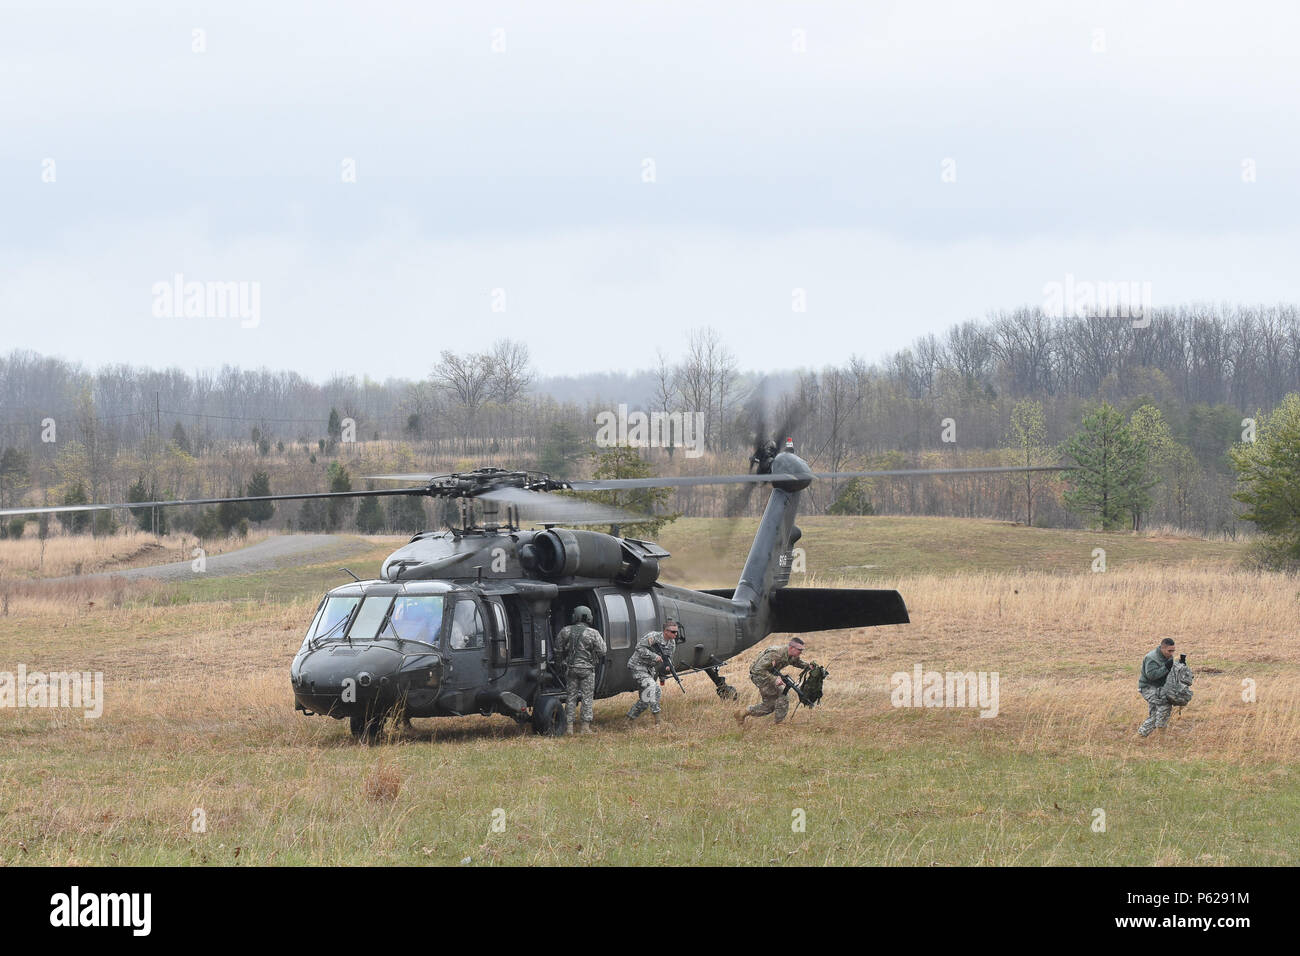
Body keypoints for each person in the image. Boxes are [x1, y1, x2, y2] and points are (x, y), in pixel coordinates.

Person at [554, 606, 606, 735]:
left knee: (570, 697)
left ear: (575, 616)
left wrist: (560, 663)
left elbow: (558, 650)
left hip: (571, 669)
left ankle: (569, 728)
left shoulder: (565, 631)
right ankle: (585, 728)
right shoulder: (593, 633)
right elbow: (603, 651)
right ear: (588, 617)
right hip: (587, 670)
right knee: (587, 697)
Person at [736, 637, 811, 726]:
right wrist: (774, 679)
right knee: (782, 696)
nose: (801, 652)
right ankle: (779, 723)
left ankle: (743, 713)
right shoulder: (775, 654)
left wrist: (809, 667)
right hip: (760, 677)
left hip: (769, 675)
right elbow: (757, 669)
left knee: (770, 705)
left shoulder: (791, 655)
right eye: (799, 650)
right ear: (791, 648)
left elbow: (796, 662)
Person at [626, 620, 680, 725]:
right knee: (653, 687)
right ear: (666, 631)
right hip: (637, 666)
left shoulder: (672, 643)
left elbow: (668, 659)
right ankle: (658, 721)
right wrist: (654, 656)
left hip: (649, 670)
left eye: (676, 632)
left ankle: (628, 720)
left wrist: (668, 667)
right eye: (673, 632)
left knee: (646, 699)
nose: (676, 634)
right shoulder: (653, 637)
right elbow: (639, 647)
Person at [1137, 638, 1176, 737]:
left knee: (1155, 714)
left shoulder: (1169, 657)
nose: (1171, 653)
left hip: (1159, 688)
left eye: (1173, 650)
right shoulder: (1151, 658)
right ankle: (1160, 734)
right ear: (1163, 648)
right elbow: (1151, 676)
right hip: (1147, 687)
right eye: (1169, 651)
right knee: (1164, 705)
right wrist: (1166, 667)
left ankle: (1141, 735)